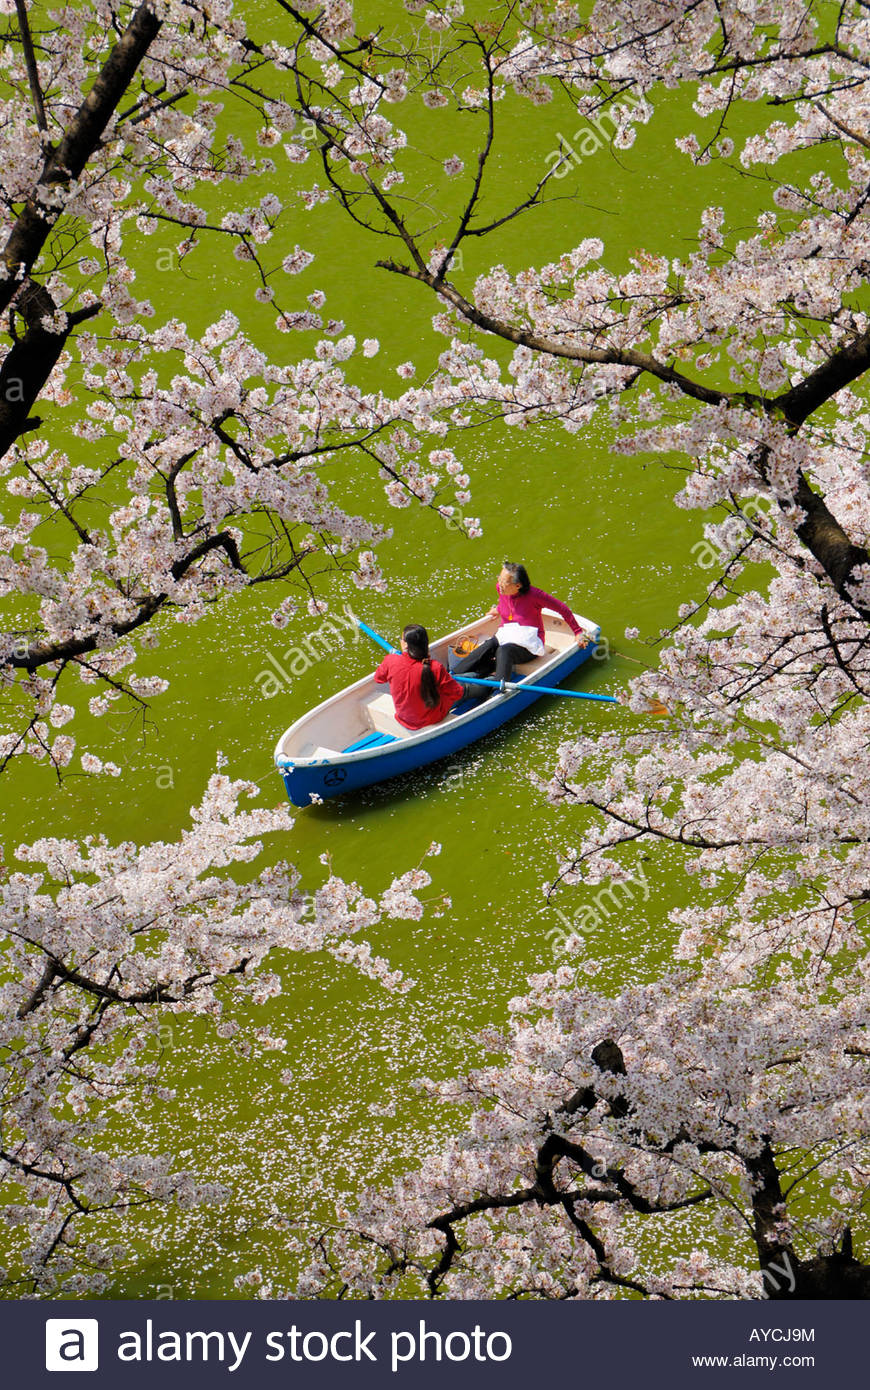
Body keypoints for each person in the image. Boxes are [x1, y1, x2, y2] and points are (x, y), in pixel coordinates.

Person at [452, 562, 587, 687]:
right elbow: (506, 604)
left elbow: (562, 608)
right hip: (508, 635)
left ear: (518, 585)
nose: (499, 584)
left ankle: (499, 689)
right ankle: (452, 676)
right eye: (499, 578)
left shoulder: (535, 595)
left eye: (504, 582)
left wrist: (577, 632)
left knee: (504, 650)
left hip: (529, 644)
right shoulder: (501, 588)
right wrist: (498, 610)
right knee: (489, 645)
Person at [374, 624, 465, 730]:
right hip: (433, 718)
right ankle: (488, 681)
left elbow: (378, 679)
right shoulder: (435, 667)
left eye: (401, 639)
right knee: (466, 685)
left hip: (403, 718)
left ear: (405, 645)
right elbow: (457, 693)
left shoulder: (390, 660)